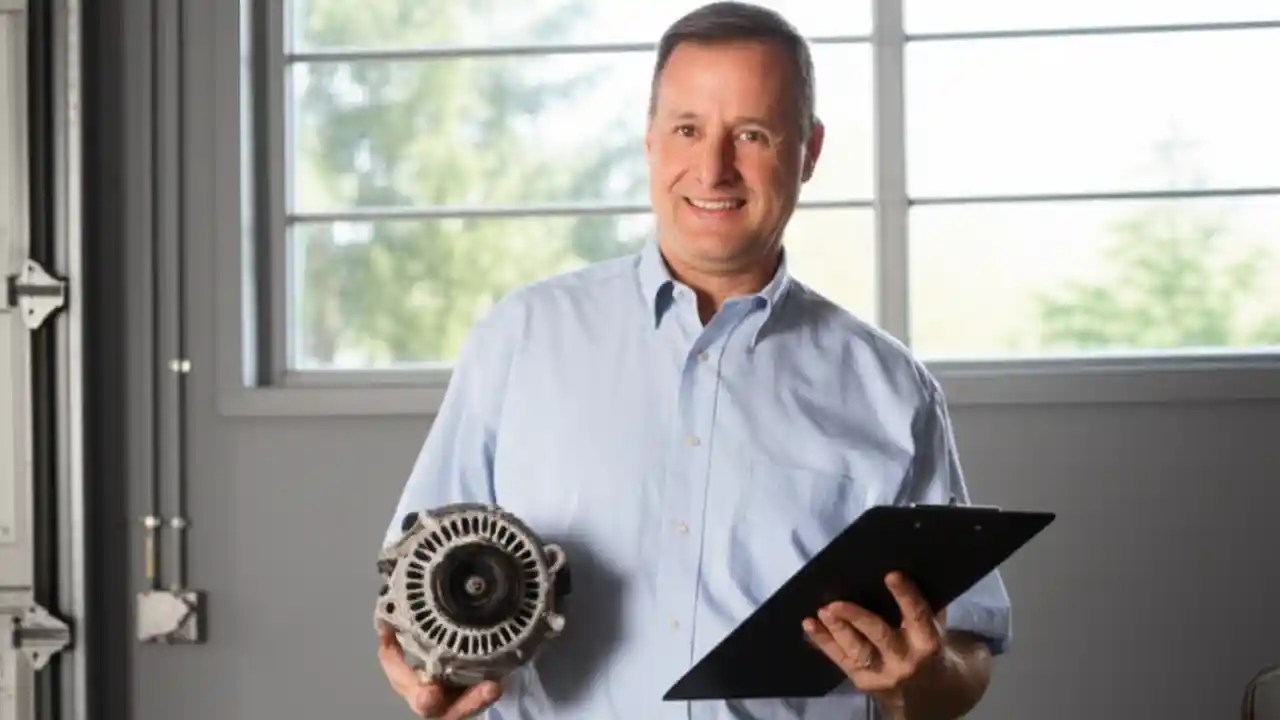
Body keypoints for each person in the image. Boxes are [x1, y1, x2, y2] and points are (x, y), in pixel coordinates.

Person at [376, 2, 1012, 718]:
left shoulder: (893, 390)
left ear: (809, 150)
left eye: (751, 134)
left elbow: (968, 646)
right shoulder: (522, 338)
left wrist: (918, 684)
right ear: (650, 139)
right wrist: (423, 673)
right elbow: (408, 585)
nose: (713, 168)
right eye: (687, 129)